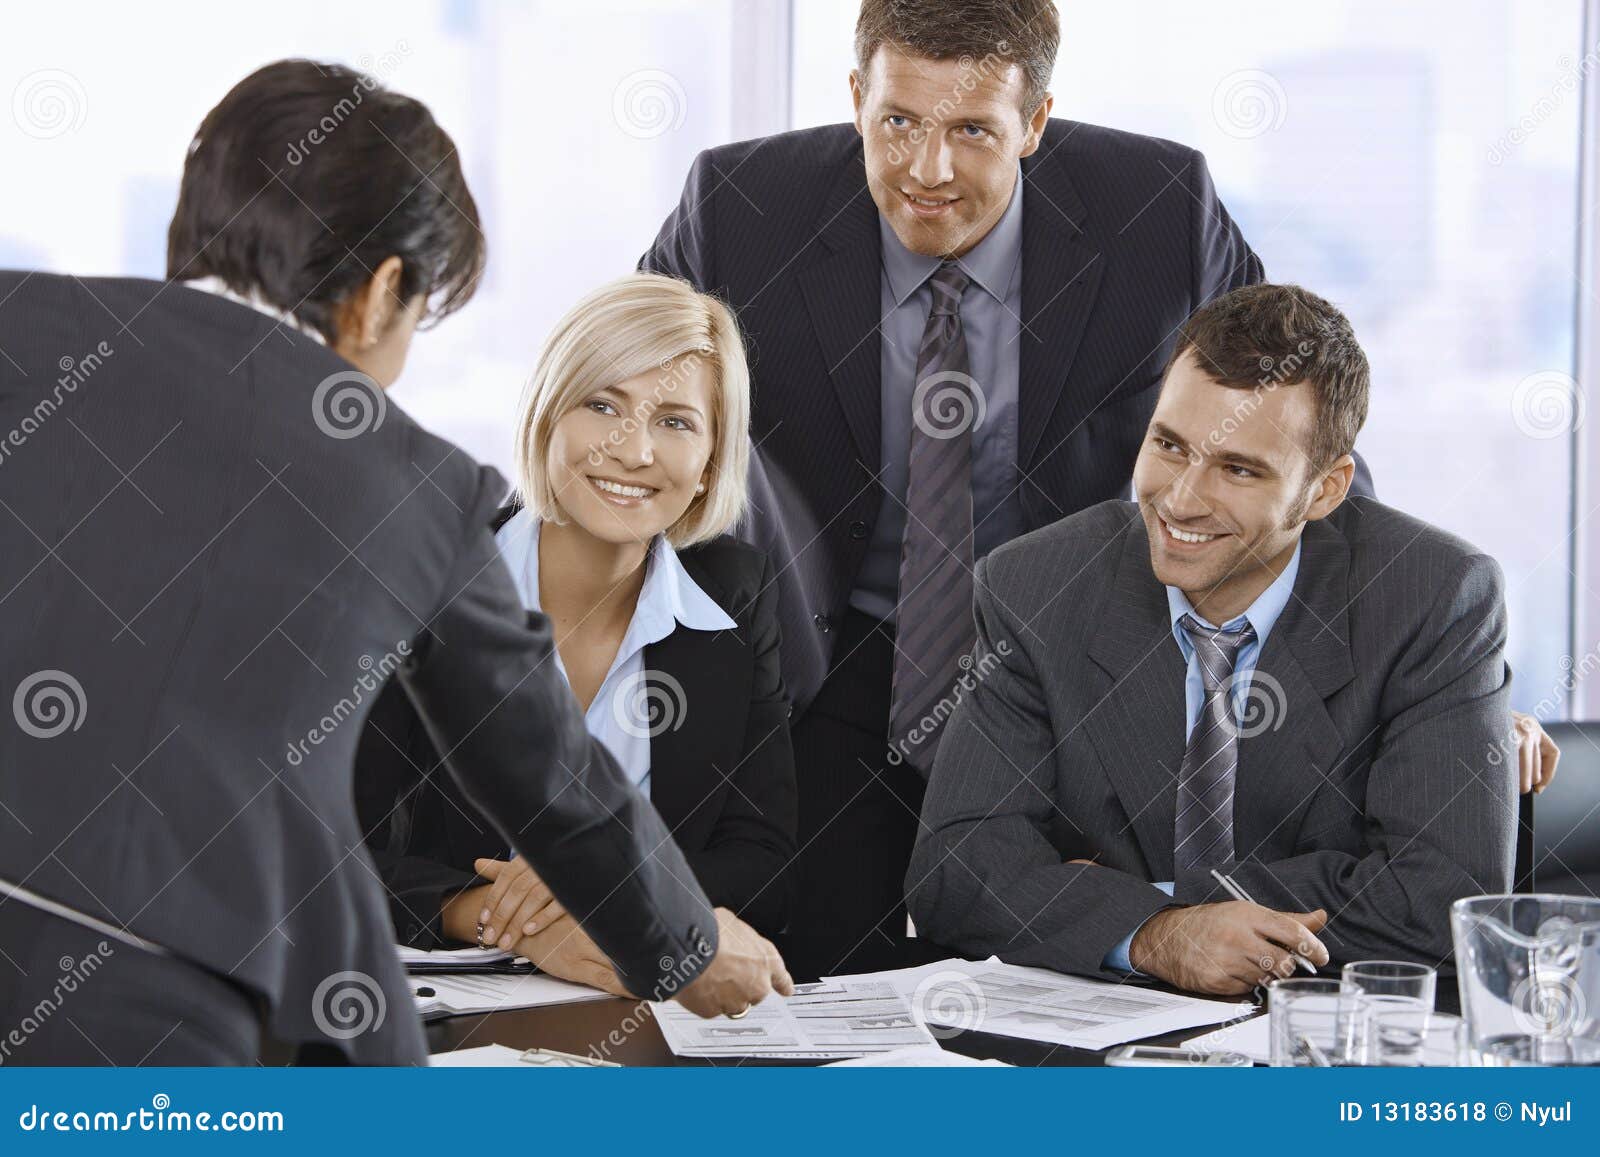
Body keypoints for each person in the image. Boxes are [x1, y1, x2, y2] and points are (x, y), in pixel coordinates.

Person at [642, 0, 1555, 978]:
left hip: (1063, 661)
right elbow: (610, 414)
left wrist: (1423, 694)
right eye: (898, 121)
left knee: (1051, 975)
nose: (926, 170)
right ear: (856, 94)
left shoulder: (1157, 206)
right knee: (800, 990)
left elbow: (1281, 420)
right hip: (826, 669)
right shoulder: (740, 207)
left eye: (972, 131)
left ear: (1034, 121)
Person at [0, 61, 788, 1066]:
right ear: (379, 297)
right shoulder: (413, 483)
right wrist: (686, 943)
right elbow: (545, 772)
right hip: (161, 1013)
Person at [906, 283, 1517, 993]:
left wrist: (1149, 902)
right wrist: (1160, 937)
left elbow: (1442, 895)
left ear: (1324, 489)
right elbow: (955, 870)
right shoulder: (1036, 586)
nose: (1181, 498)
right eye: (1169, 445)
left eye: (1238, 468)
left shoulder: (1434, 598)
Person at [355, 273, 797, 993]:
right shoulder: (424, 580)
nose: (634, 450)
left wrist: (603, 880)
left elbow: (764, 861)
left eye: (677, 422)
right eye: (603, 405)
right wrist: (512, 921)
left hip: (643, 1028)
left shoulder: (732, 592)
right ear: (549, 414)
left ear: (712, 457)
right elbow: (332, 851)